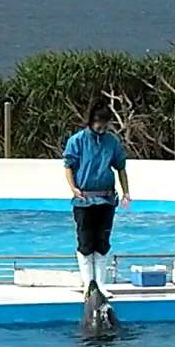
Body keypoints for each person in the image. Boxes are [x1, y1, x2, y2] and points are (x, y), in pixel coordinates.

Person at [63, 103, 131, 294]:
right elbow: (68, 166)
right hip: (84, 200)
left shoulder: (112, 141)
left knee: (102, 242)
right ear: (91, 121)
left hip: (106, 199)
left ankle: (100, 284)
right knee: (85, 242)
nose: (102, 128)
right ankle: (88, 285)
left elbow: (121, 167)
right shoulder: (77, 141)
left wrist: (126, 192)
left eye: (105, 125)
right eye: (99, 124)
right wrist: (73, 188)